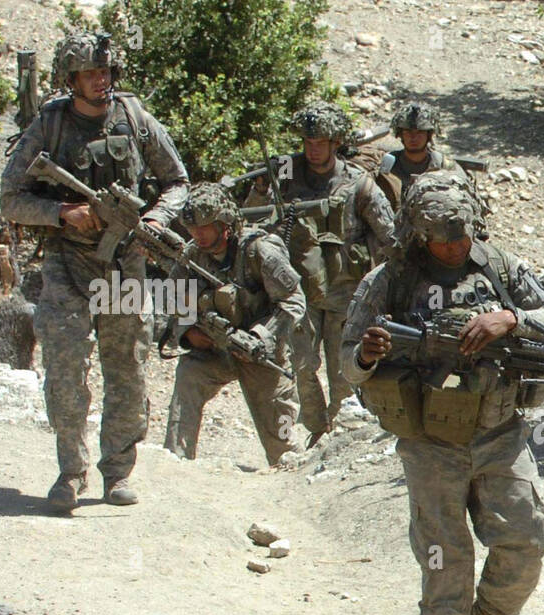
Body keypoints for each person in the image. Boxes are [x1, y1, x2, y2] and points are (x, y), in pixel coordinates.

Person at [341, 173, 544, 615]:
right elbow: (347, 361)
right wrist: (370, 354)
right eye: (443, 239)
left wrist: (510, 317)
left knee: (527, 538)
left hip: (498, 433)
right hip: (429, 444)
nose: (455, 246)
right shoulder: (388, 280)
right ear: (418, 235)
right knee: (444, 556)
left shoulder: (500, 267)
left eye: (461, 236)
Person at [0, 31, 188, 510]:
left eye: (105, 71)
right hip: (67, 264)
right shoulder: (51, 126)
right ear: (72, 79)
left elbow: (177, 182)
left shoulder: (134, 116)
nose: (100, 80)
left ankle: (117, 472)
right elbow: (11, 199)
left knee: (125, 367)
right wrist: (64, 214)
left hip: (123, 265)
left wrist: (152, 220)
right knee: (65, 370)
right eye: (89, 73)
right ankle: (70, 472)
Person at [246, 101, 395, 445]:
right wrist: (260, 188)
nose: (312, 150)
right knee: (301, 363)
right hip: (298, 289)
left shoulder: (358, 183)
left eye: (320, 143)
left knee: (343, 365)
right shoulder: (285, 172)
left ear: (335, 143)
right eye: (307, 143)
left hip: (347, 290)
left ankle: (344, 429)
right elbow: (253, 220)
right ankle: (317, 430)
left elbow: (389, 235)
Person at [163, 183, 304, 466]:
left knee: (284, 446)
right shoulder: (192, 257)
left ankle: (291, 473)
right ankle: (176, 461)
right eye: (192, 228)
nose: (197, 235)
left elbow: (294, 300)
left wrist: (260, 336)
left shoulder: (259, 250)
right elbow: (172, 301)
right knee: (189, 373)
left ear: (224, 224)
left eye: (204, 227)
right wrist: (188, 334)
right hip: (218, 351)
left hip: (261, 355)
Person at [378, 102, 470, 207]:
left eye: (419, 133)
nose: (413, 138)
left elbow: (465, 201)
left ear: (429, 135)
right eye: (408, 132)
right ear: (400, 135)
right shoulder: (387, 165)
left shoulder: (445, 166)